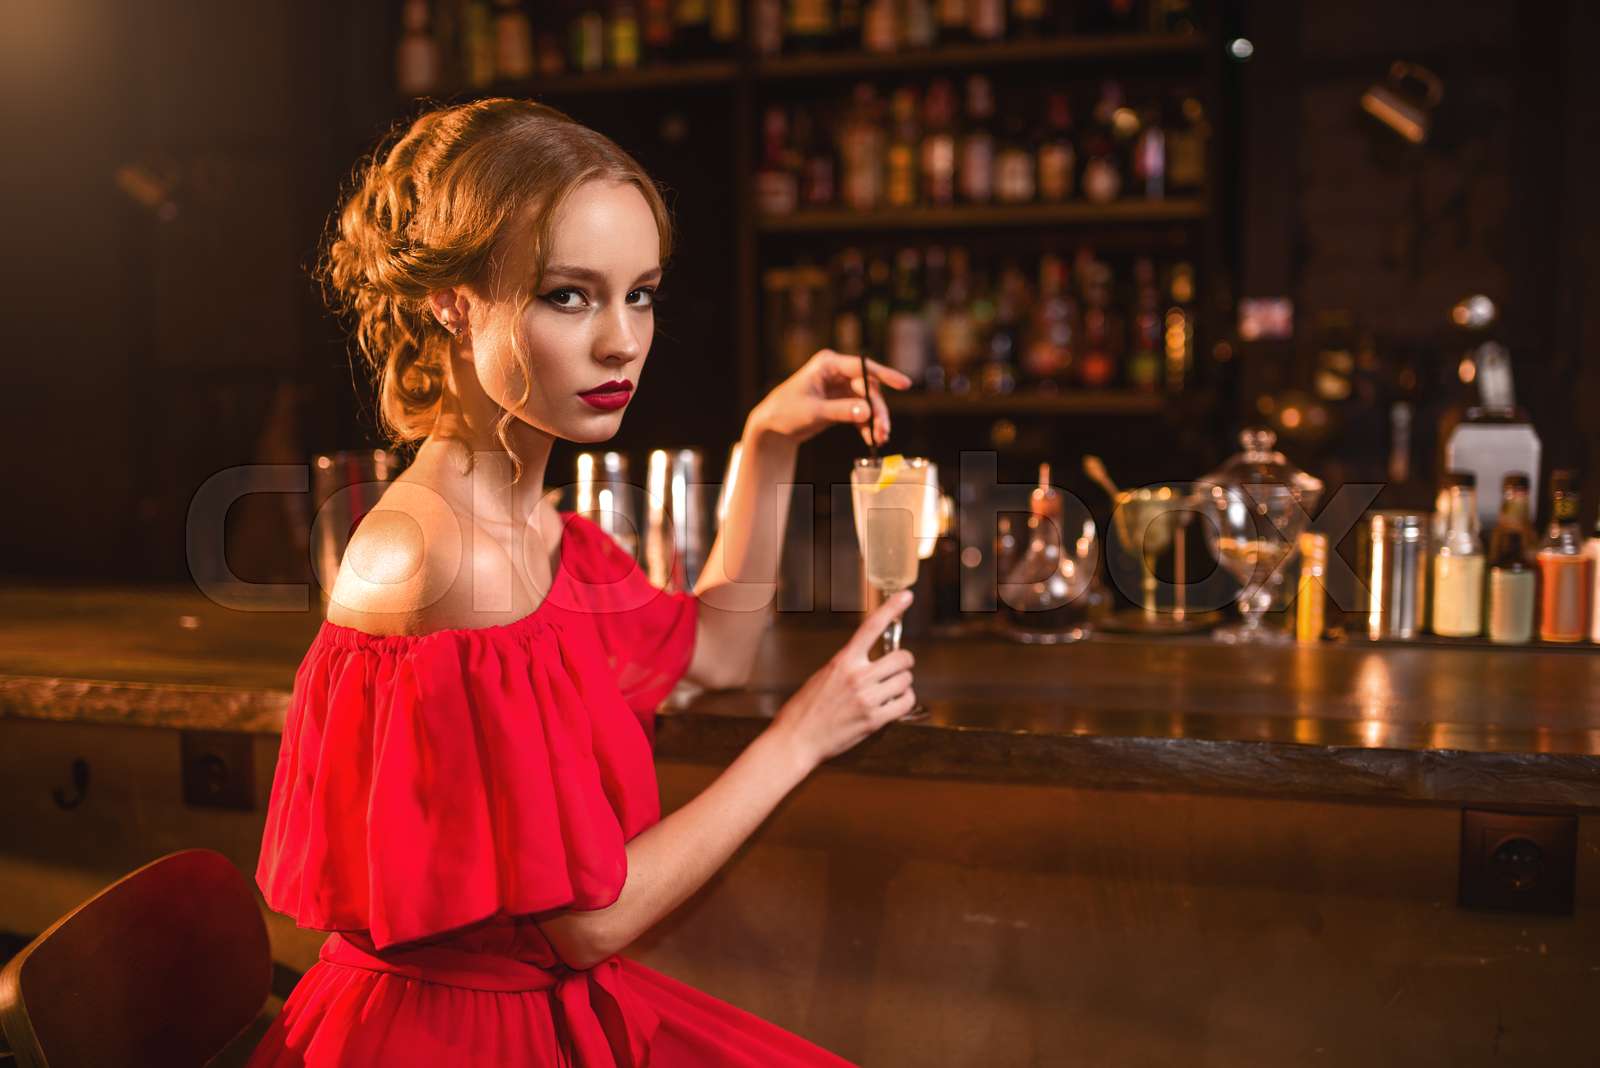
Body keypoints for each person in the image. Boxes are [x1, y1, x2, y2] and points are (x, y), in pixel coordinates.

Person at [245, 97, 919, 1067]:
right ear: (455, 300)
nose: (621, 342)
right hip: (449, 1040)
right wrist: (802, 736)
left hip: (540, 1013)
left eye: (639, 293)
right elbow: (588, 925)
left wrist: (768, 439)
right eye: (569, 294)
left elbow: (719, 650)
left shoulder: (543, 530)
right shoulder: (451, 558)